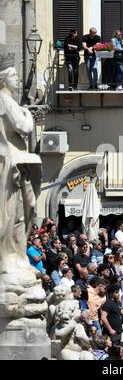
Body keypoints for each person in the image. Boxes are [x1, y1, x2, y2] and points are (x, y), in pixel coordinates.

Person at [0, 62, 42, 275]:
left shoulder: (9, 101)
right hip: (13, 164)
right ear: (3, 80)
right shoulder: (4, 100)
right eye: (13, 76)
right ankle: (14, 257)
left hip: (19, 163)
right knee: (17, 213)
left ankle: (19, 255)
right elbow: (23, 126)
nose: (17, 79)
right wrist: (28, 114)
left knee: (27, 209)